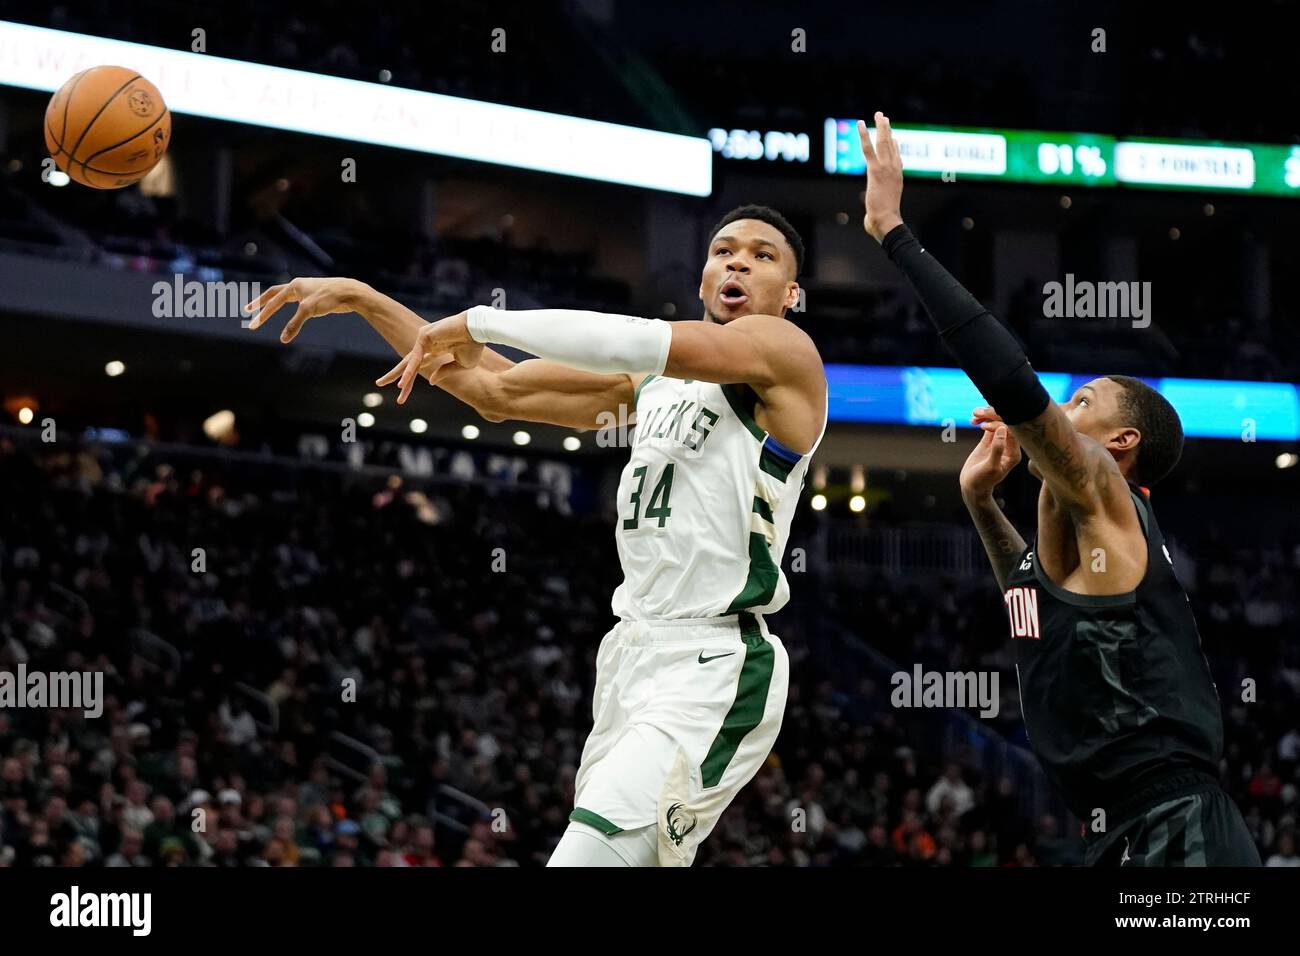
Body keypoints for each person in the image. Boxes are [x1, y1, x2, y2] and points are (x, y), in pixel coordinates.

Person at [244, 204, 828, 866]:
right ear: (702, 278)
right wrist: (363, 298)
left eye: (763, 255)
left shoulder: (784, 354)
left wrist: (478, 319)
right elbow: (492, 387)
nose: (739, 262)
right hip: (630, 661)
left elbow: (635, 338)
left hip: (714, 663)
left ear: (791, 294)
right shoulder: (653, 385)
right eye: (724, 251)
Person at [859, 111, 1260, 867]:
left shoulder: (1107, 490)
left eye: (1081, 402)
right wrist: (980, 502)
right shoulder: (1076, 525)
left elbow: (1008, 377)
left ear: (1121, 443)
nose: (1057, 407)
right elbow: (1028, 599)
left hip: (1179, 827)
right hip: (1118, 830)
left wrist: (894, 233)